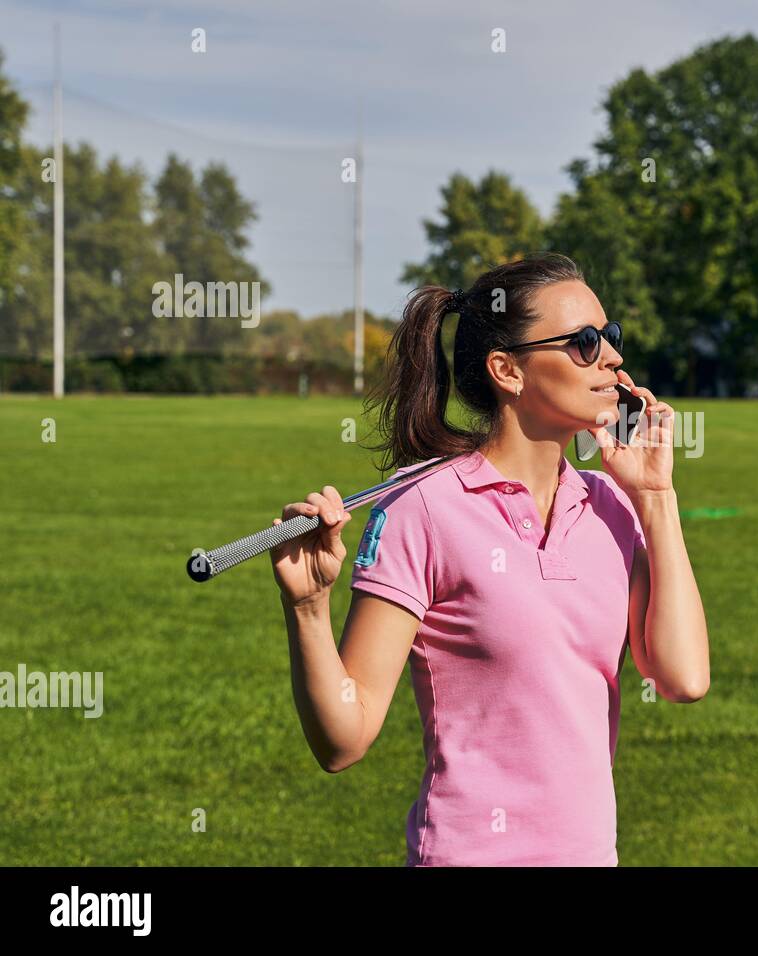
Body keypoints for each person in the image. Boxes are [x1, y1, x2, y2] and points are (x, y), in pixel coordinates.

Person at [268, 252, 710, 866]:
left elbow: (683, 678)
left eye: (611, 337)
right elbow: (344, 739)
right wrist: (309, 608)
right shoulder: (423, 508)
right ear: (508, 370)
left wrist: (657, 499)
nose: (613, 358)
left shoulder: (611, 504)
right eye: (585, 342)